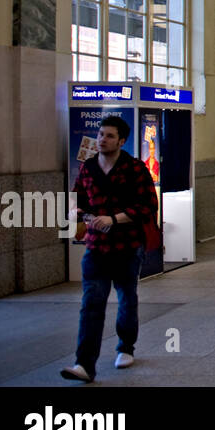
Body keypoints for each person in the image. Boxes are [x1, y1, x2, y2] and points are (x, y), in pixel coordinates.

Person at [61, 115, 159, 383]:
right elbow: (77, 199)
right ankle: (84, 364)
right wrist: (82, 214)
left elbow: (148, 206)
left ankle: (126, 346)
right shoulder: (88, 168)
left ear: (122, 141)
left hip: (127, 246)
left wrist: (114, 219)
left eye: (109, 136)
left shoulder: (135, 169)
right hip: (96, 247)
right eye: (101, 134)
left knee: (127, 297)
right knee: (91, 302)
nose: (102, 140)